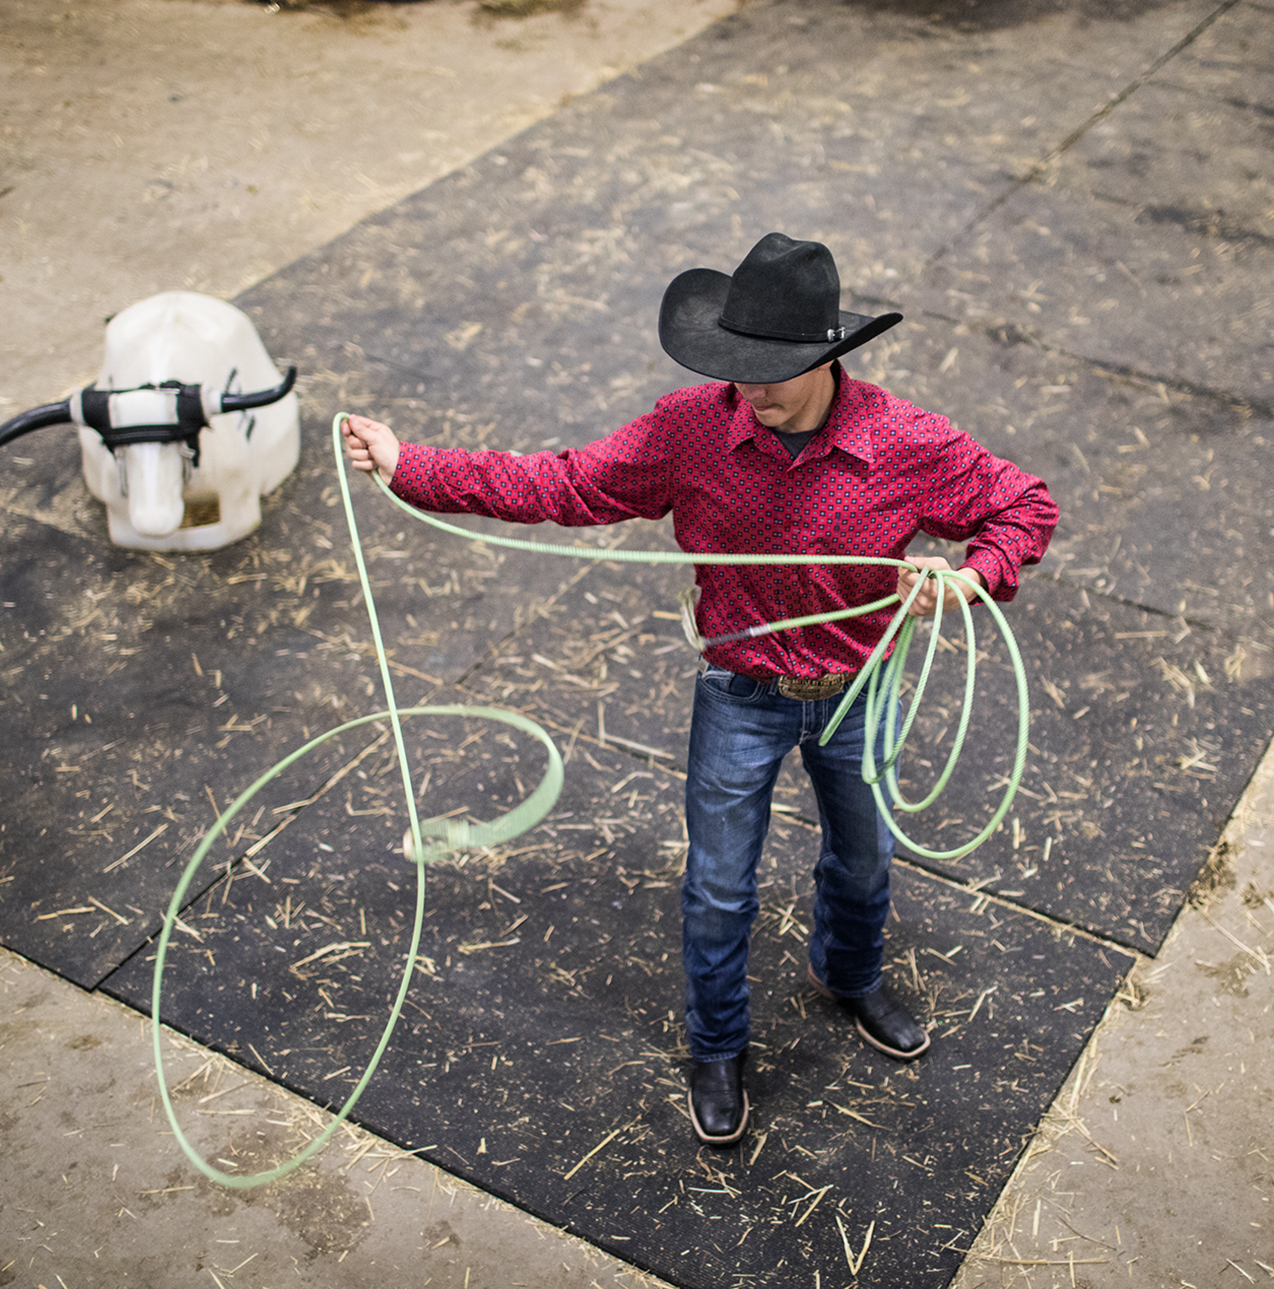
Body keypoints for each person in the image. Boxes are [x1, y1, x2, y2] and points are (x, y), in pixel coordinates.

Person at [342, 232, 1058, 1145]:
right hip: (740, 691)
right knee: (720, 885)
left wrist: (972, 574)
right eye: (735, 363)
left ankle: (850, 972)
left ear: (827, 353)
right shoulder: (690, 430)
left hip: (858, 687)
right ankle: (718, 1043)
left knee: (864, 858)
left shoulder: (903, 441)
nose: (751, 387)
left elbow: (1024, 503)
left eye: (774, 369)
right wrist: (412, 466)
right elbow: (559, 484)